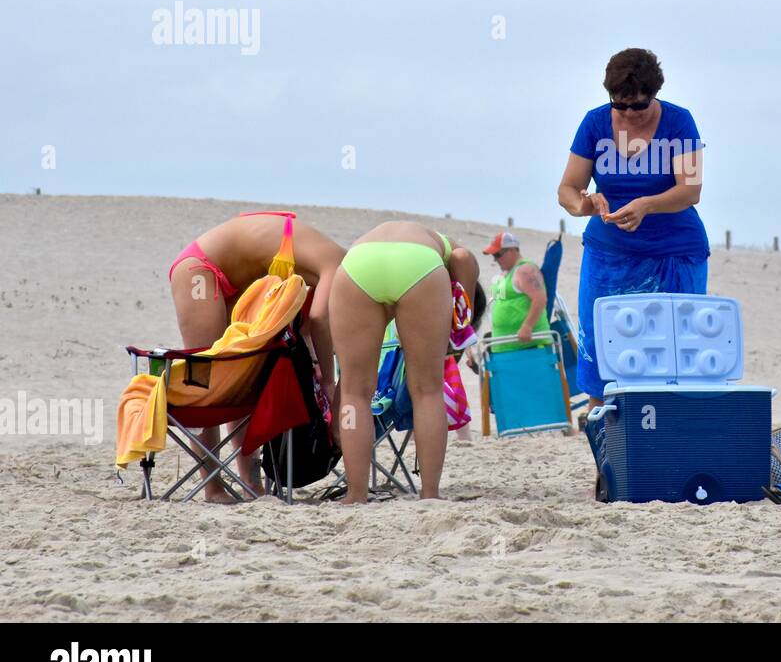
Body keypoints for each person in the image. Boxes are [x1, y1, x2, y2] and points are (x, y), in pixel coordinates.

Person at [557, 48, 708, 406]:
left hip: (674, 253)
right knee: (603, 358)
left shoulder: (679, 122)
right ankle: (607, 461)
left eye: (638, 106)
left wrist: (647, 205)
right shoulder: (595, 123)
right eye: (619, 104)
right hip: (609, 256)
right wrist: (586, 204)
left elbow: (691, 190)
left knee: (674, 360)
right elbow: (566, 189)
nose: (628, 113)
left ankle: (670, 456)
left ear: (654, 94)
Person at [167, 210, 344, 501]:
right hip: (201, 269)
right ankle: (211, 487)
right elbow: (320, 318)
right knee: (204, 378)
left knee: (243, 377)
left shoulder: (326, 266)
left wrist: (315, 367)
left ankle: (252, 485)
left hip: (242, 280)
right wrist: (329, 379)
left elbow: (309, 327)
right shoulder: (339, 266)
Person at [330, 221, 479, 502]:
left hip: (359, 262)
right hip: (419, 264)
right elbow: (464, 258)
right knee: (428, 391)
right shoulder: (445, 245)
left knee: (353, 392)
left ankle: (356, 494)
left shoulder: (382, 232)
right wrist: (463, 314)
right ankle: (430, 493)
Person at [482, 231, 550, 350]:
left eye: (497, 255)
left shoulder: (525, 270)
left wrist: (527, 326)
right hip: (504, 347)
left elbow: (540, 299)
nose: (495, 260)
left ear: (512, 250)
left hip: (527, 347)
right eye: (494, 256)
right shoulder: (506, 273)